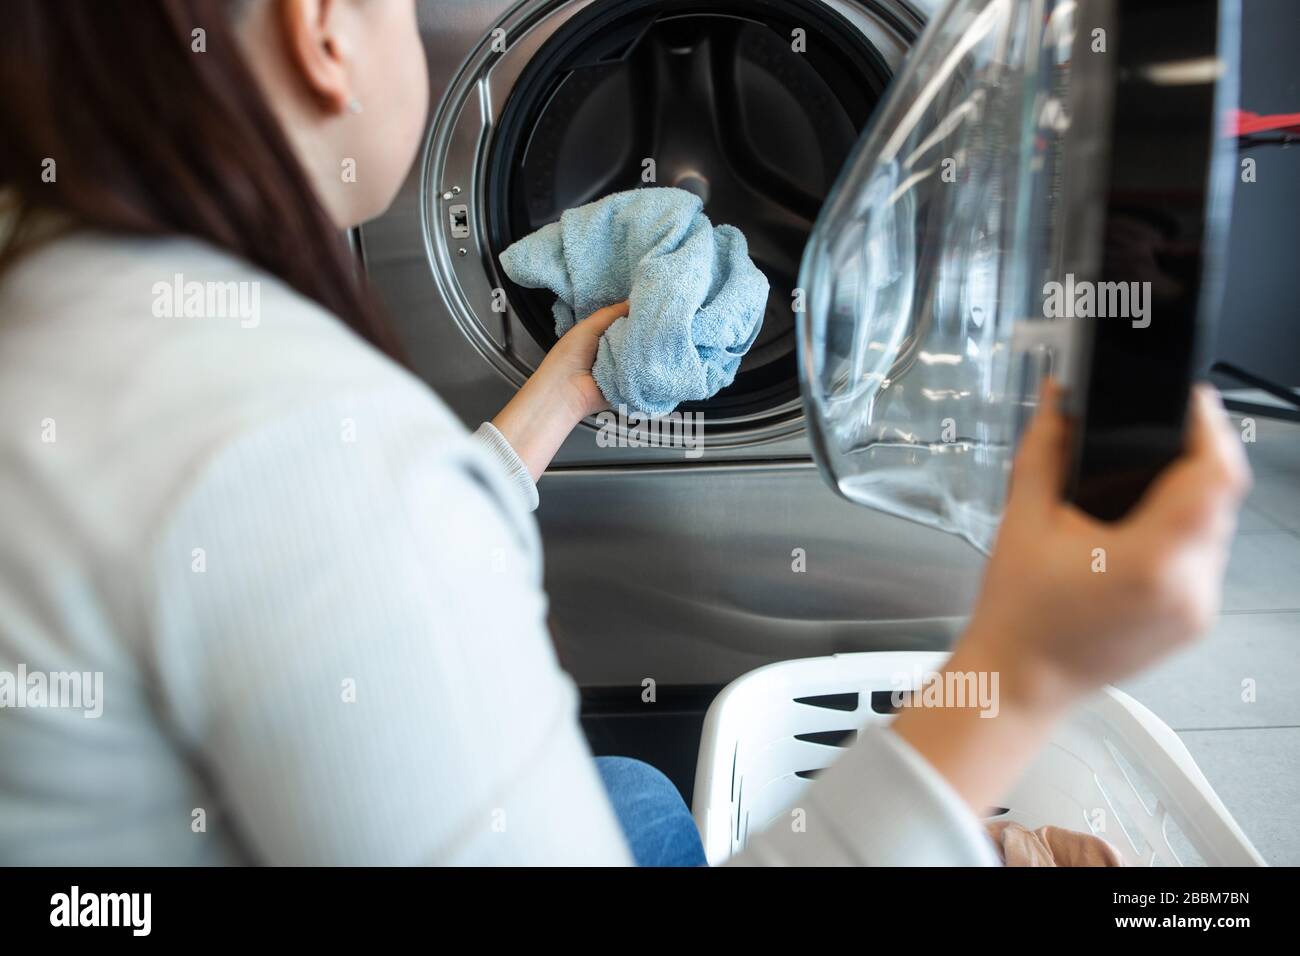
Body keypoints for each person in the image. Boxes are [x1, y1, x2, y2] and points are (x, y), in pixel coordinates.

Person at [0, 0, 1249, 866]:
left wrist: (567, 387)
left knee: (642, 795)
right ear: (322, 34)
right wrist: (1026, 667)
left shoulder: (64, 315)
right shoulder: (294, 433)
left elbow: (321, 560)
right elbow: (331, 521)